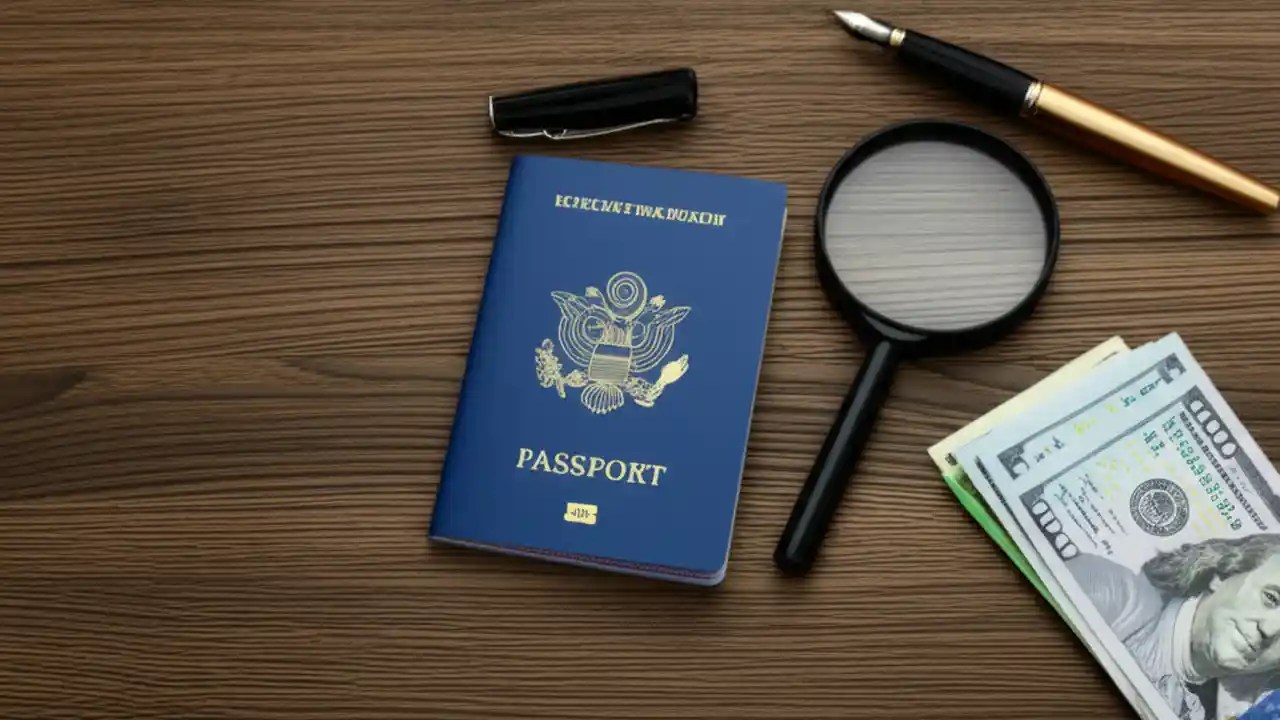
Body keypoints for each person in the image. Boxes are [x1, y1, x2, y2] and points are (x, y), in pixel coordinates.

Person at [1071, 534, 1280, 720]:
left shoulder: (1209, 712)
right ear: (1223, 576)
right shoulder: (1114, 595)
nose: (1269, 629)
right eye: (1271, 598)